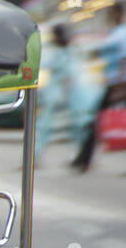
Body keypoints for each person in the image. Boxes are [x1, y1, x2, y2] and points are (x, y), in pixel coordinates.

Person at [70, 0, 126, 171]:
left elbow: (124, 59)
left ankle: (83, 159)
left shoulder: (121, 33)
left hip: (118, 83)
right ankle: (83, 159)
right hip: (114, 82)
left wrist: (120, 84)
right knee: (97, 120)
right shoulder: (116, 32)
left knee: (96, 120)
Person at [34, 23, 95, 164]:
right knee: (44, 126)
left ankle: (81, 157)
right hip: (57, 94)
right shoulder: (55, 51)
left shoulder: (72, 51)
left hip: (73, 94)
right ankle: (33, 158)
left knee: (79, 127)